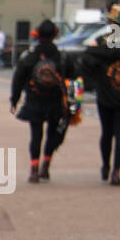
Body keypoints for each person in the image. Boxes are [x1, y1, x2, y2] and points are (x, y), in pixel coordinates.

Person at [81, 5, 120, 186]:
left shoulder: (111, 40)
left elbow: (92, 61)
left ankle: (106, 165)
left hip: (106, 93)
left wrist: (95, 81)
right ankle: (117, 171)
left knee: (107, 133)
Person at [10, 20, 73, 183]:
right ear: (55, 35)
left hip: (34, 101)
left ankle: (34, 169)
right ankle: (46, 164)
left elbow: (18, 79)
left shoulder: (30, 56)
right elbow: (73, 79)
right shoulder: (61, 57)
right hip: (55, 101)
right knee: (52, 133)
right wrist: (72, 103)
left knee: (36, 135)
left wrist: (14, 99)